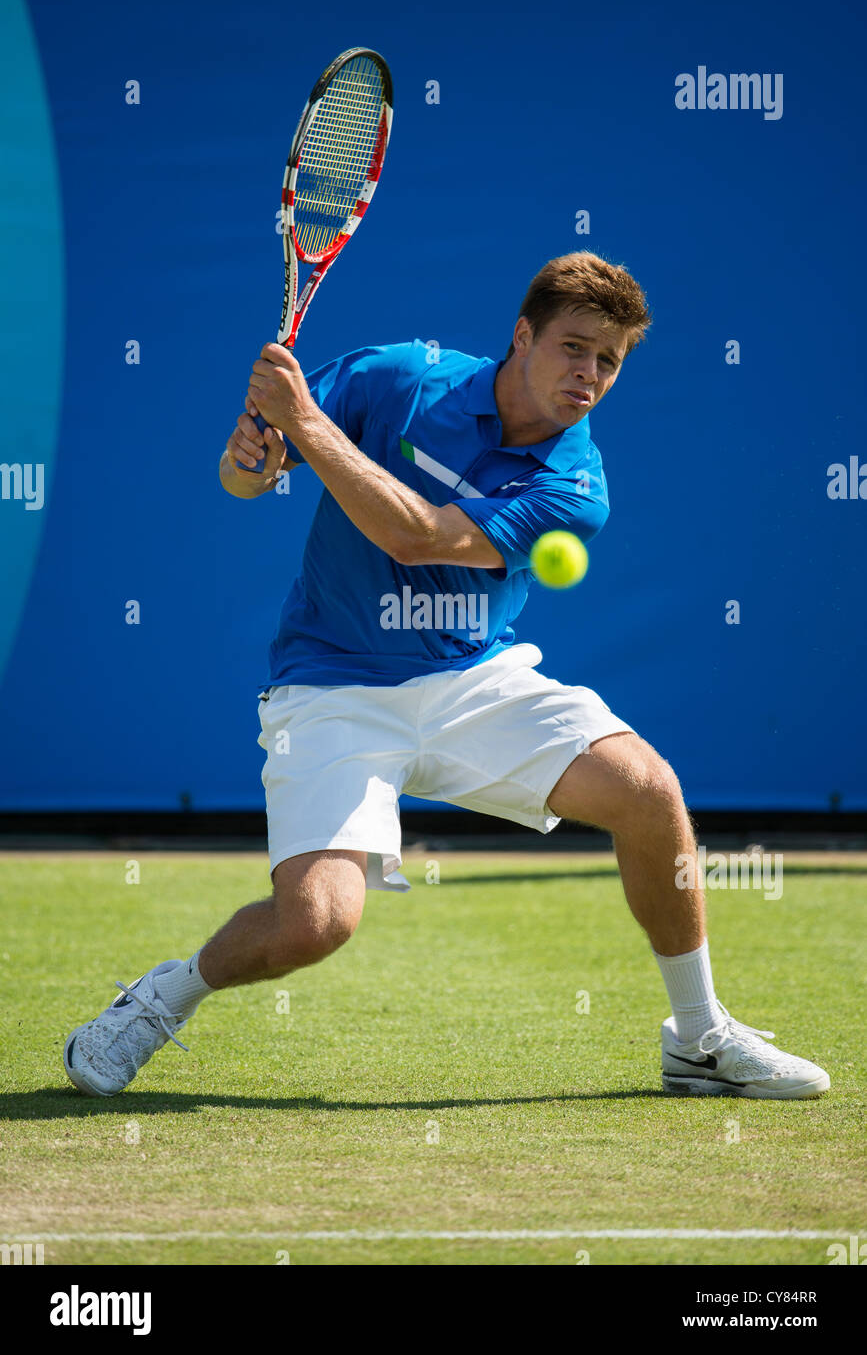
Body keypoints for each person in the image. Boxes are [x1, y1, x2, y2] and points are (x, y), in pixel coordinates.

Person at [63, 252, 829, 1100]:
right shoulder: (396, 380)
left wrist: (306, 427)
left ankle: (699, 1037)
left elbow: (417, 537)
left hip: (476, 682)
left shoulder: (576, 484)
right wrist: (253, 457)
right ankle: (166, 995)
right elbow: (249, 474)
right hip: (333, 684)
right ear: (521, 335)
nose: (589, 375)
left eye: (608, 361)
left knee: (647, 790)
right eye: (574, 348)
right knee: (313, 926)